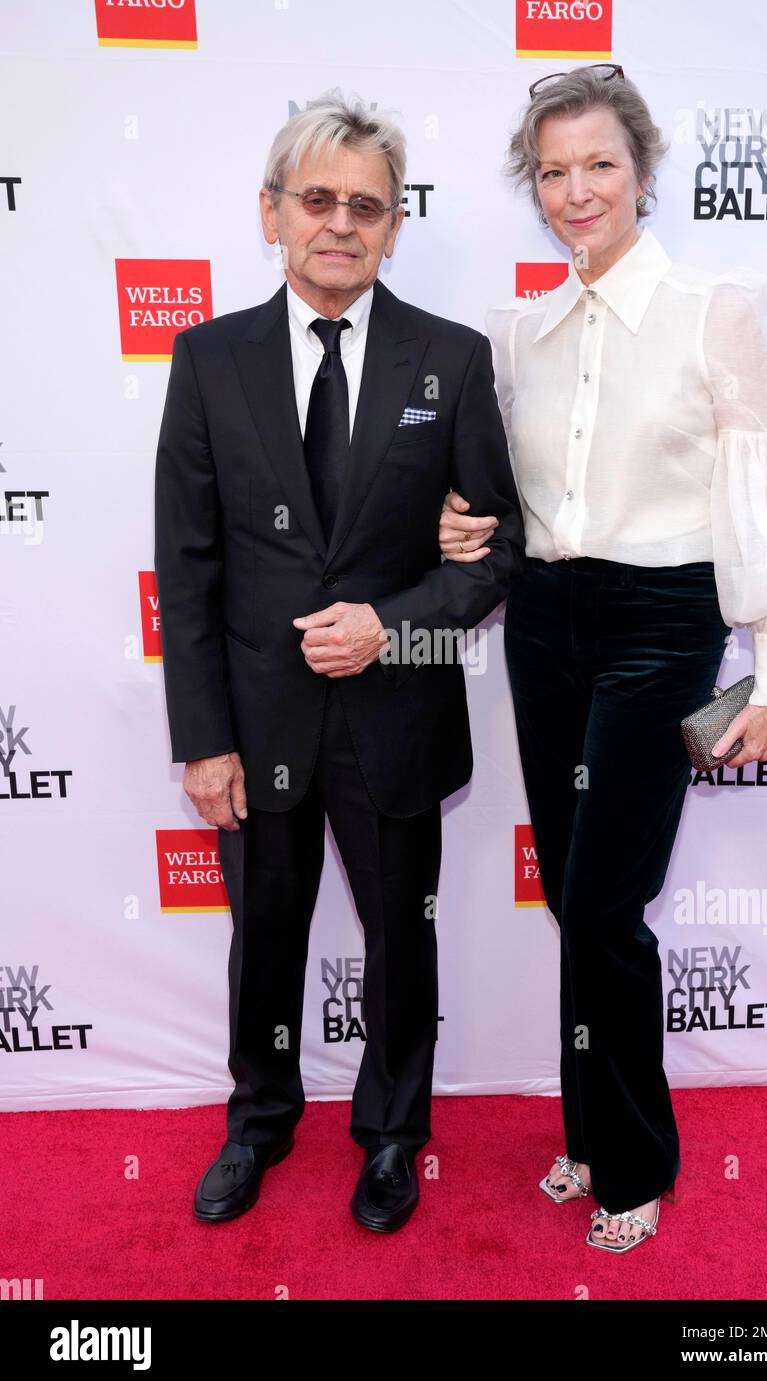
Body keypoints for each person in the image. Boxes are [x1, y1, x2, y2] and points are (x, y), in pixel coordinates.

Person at [439, 64, 767, 1252]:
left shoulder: (715, 306)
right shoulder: (517, 333)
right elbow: (507, 504)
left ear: (641, 171)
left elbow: (754, 498)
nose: (578, 191)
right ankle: (588, 1134)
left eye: (600, 166)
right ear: (534, 185)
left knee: (602, 901)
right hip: (543, 621)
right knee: (579, 897)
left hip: (663, 625)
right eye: (554, 170)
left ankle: (635, 1157)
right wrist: (461, 529)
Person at [154, 90, 524, 1233]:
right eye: (316, 199)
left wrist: (389, 619)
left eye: (366, 205)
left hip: (397, 712)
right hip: (258, 723)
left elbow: (493, 550)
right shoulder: (207, 358)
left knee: (396, 936)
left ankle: (392, 1132)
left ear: (394, 226)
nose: (340, 223)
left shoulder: (450, 361)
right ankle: (259, 1121)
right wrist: (203, 735)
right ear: (270, 212)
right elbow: (188, 562)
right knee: (264, 936)